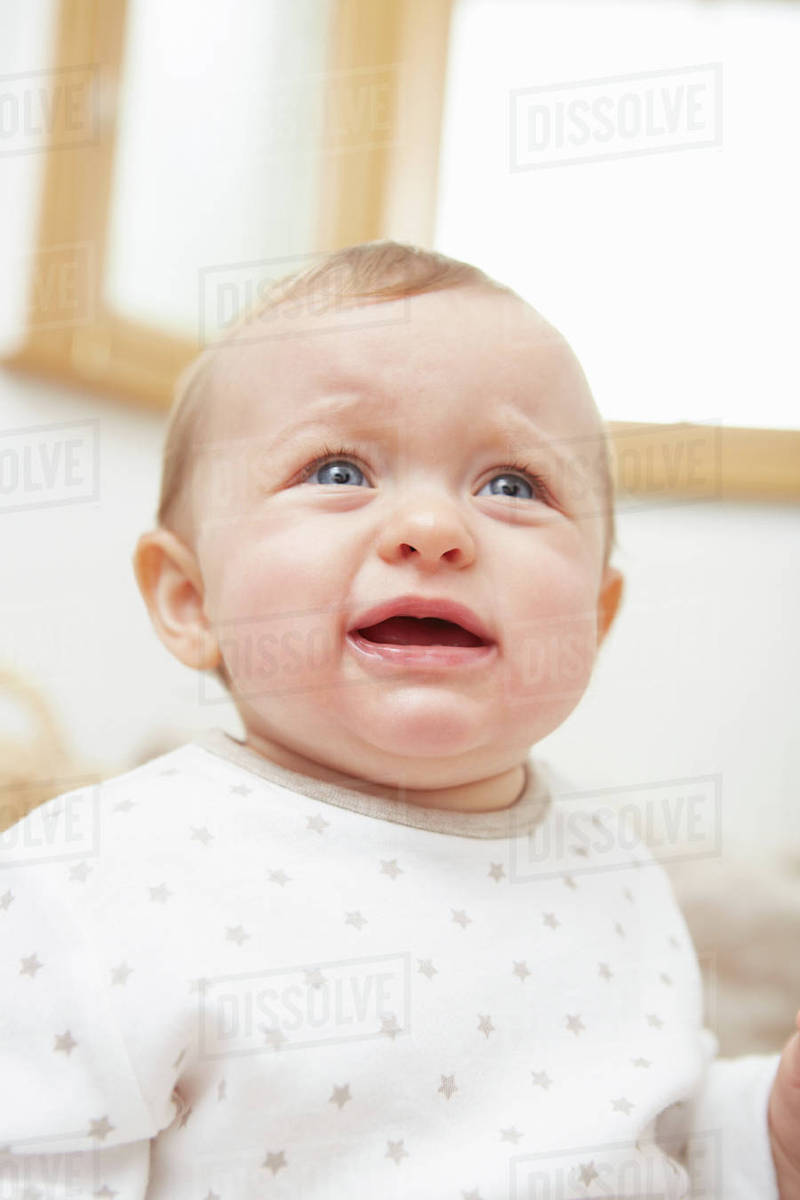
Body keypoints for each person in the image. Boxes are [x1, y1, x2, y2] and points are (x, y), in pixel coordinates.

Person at [1, 242, 797, 1198]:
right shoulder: (94, 877)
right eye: (337, 469)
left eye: (512, 486)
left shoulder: (612, 865)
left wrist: (764, 1133)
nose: (433, 528)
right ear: (189, 597)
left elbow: (651, 1124)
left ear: (595, 614)